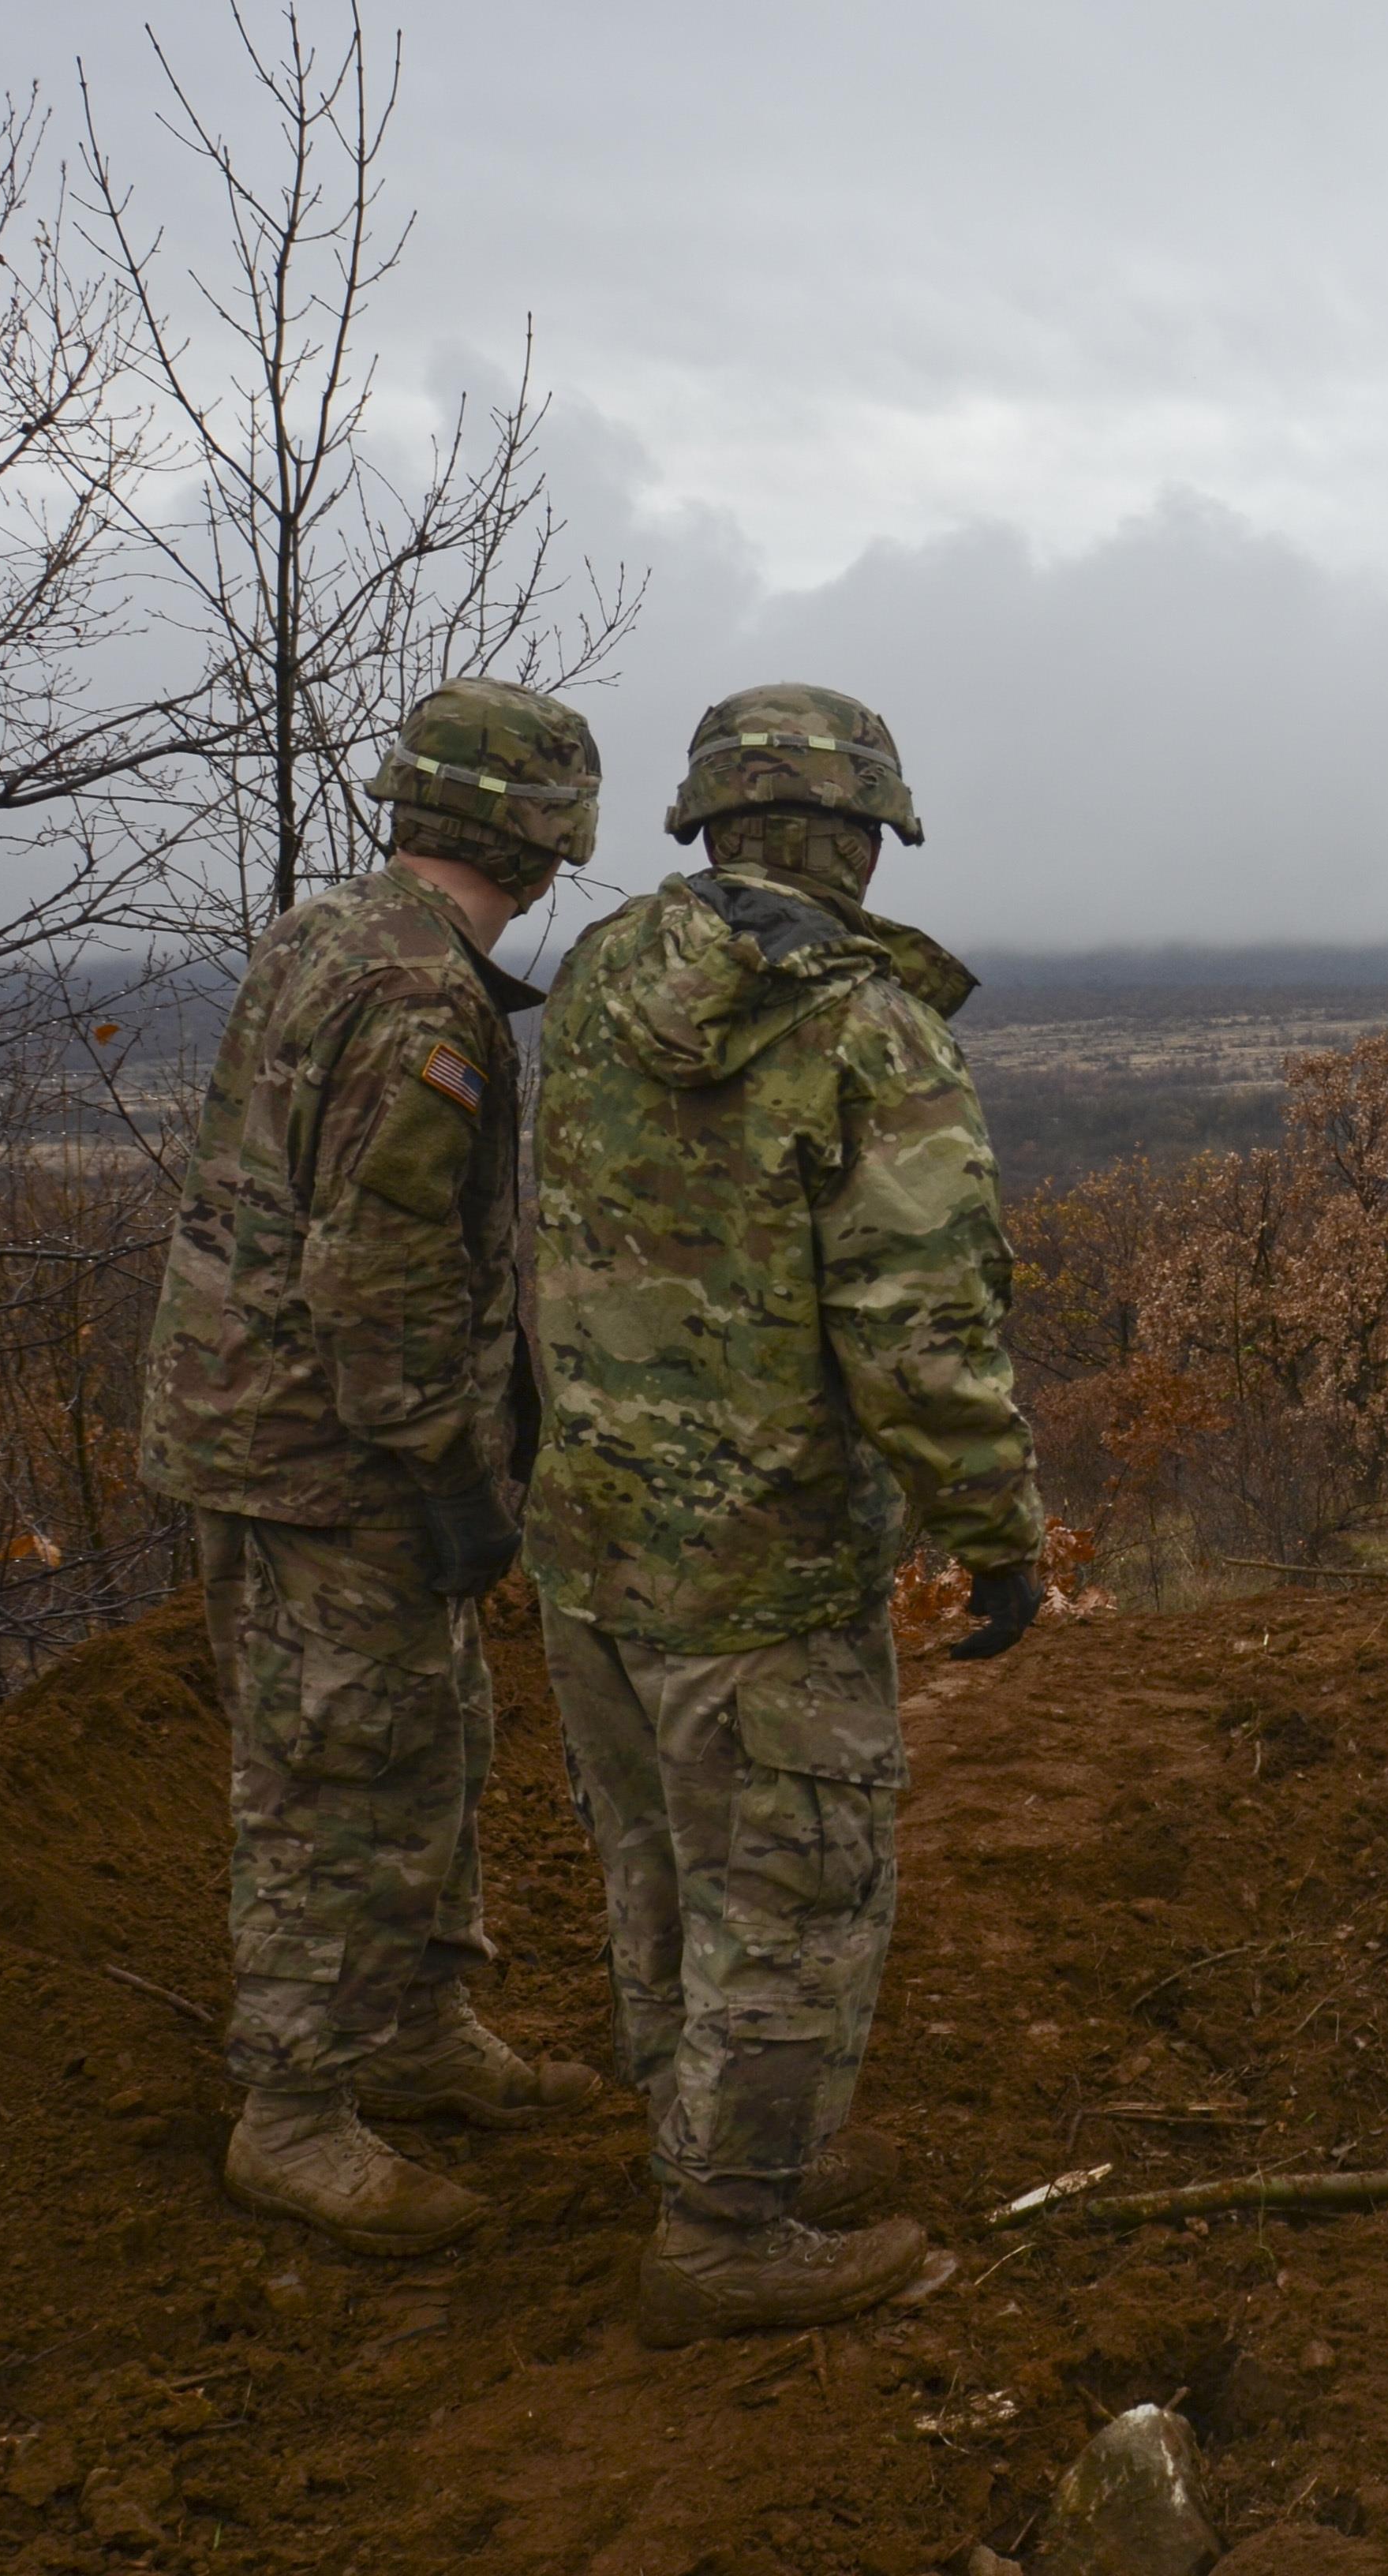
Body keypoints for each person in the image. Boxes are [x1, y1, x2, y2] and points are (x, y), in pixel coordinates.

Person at [527, 681, 1046, 2346]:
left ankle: (706, 2146)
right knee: (793, 1892)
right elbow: (921, 1328)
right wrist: (994, 1522)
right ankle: (729, 2229)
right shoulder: (866, 1031)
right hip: (758, 1567)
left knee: (658, 1867)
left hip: (592, 1541)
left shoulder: (603, 980)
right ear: (860, 838)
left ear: (706, 826)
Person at [139, 677, 608, 2256]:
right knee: (329, 1771)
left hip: (300, 1435)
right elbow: (380, 1266)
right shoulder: (421, 1001)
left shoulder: (328, 933)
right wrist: (449, 1473)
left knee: (430, 1736)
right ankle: (292, 2111)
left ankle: (414, 2028)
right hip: (328, 1459)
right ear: (541, 835)